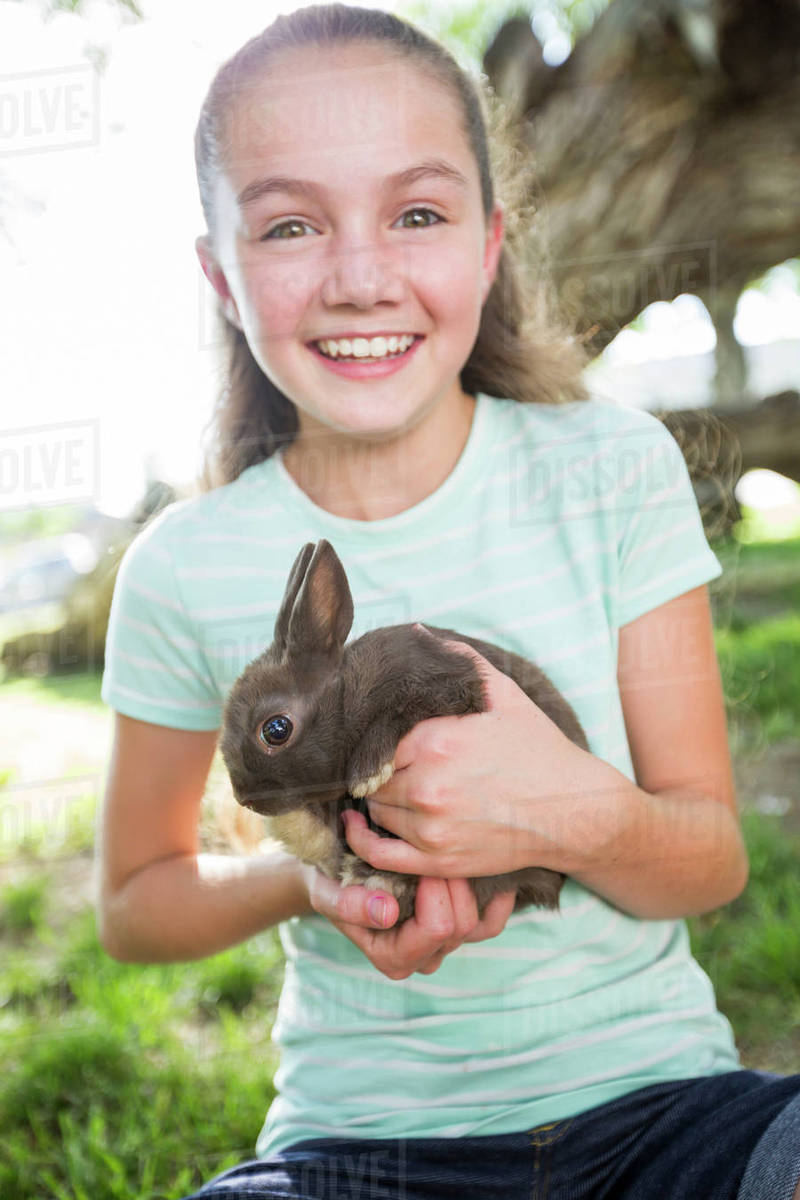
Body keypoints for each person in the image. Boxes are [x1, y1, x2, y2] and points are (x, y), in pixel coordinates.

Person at [96, 5, 800, 1198]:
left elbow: (709, 856)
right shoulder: (181, 565)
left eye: (415, 214)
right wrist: (309, 883)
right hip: (358, 1146)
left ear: (486, 246)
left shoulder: (610, 467)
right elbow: (131, 903)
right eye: (288, 225)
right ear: (219, 272)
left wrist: (567, 815)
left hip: (662, 1111)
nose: (360, 276)